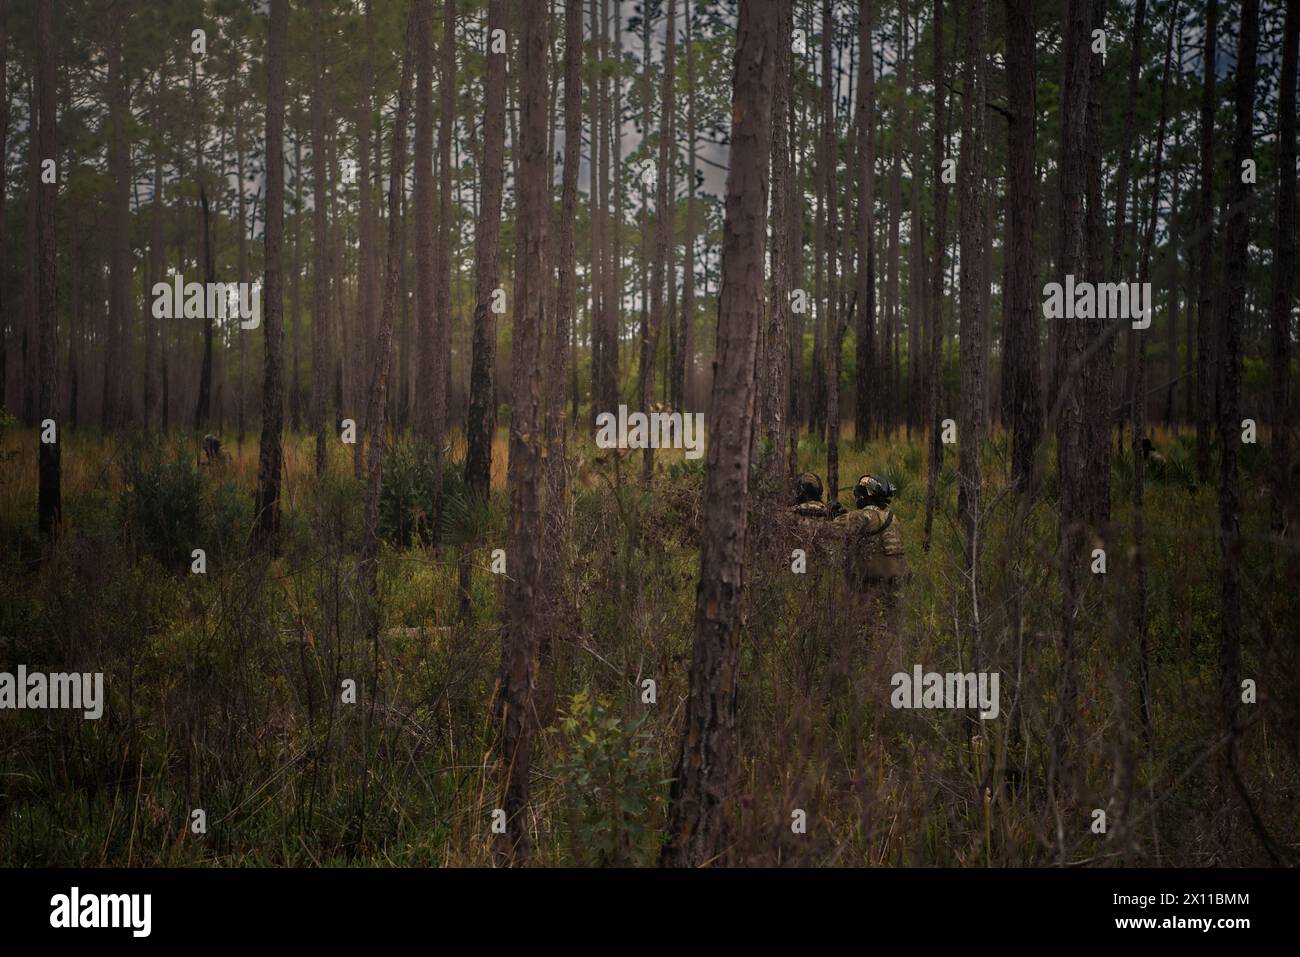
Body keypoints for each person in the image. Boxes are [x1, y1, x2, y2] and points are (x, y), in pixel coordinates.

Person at [834, 474, 909, 641]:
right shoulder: (891, 517)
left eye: (858, 493)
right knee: (893, 634)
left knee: (870, 635)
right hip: (895, 585)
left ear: (865, 495)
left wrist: (834, 514)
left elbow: (833, 528)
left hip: (873, 587)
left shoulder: (863, 516)